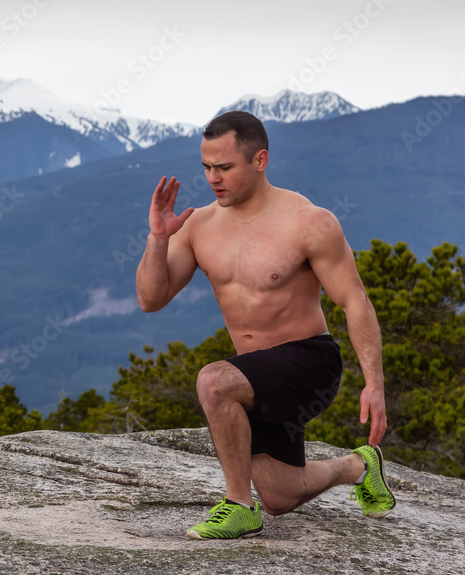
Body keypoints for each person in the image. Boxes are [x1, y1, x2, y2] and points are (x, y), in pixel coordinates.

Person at [135, 110, 395, 540]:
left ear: (260, 161)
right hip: (255, 373)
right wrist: (158, 238)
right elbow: (150, 299)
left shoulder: (309, 222)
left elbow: (355, 301)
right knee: (279, 495)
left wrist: (374, 383)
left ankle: (238, 506)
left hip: (311, 361)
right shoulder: (199, 226)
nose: (212, 178)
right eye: (206, 167)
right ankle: (359, 465)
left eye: (224, 167)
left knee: (214, 381)